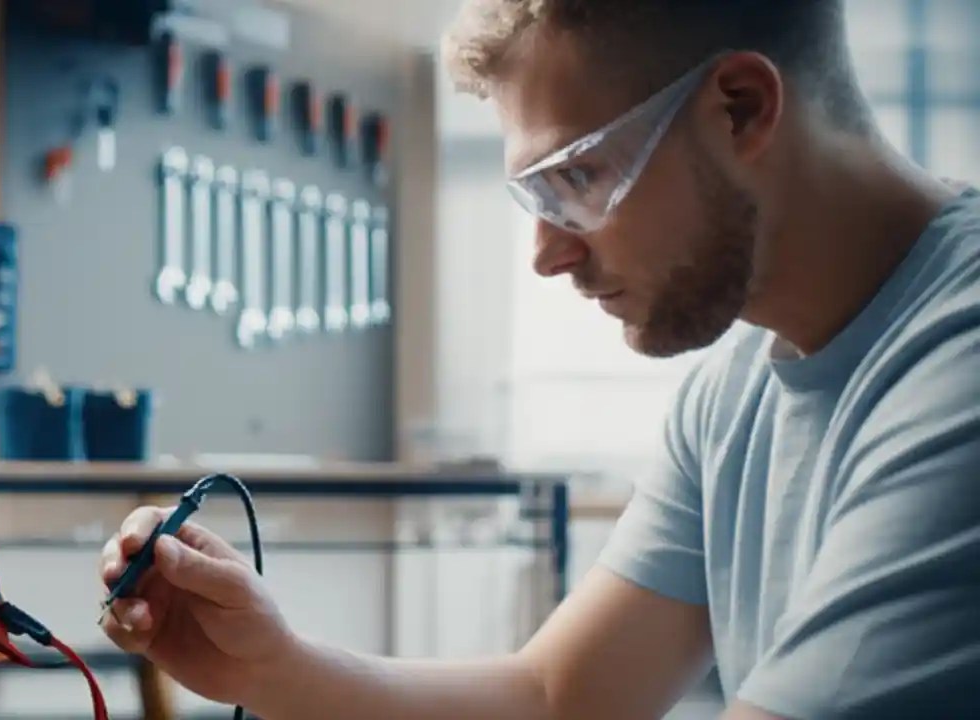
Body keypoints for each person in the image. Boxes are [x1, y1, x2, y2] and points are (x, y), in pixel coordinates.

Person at [98, 1, 980, 717]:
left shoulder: (959, 368)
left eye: (578, 180)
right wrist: (273, 670)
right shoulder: (733, 390)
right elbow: (559, 696)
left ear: (740, 107)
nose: (547, 255)